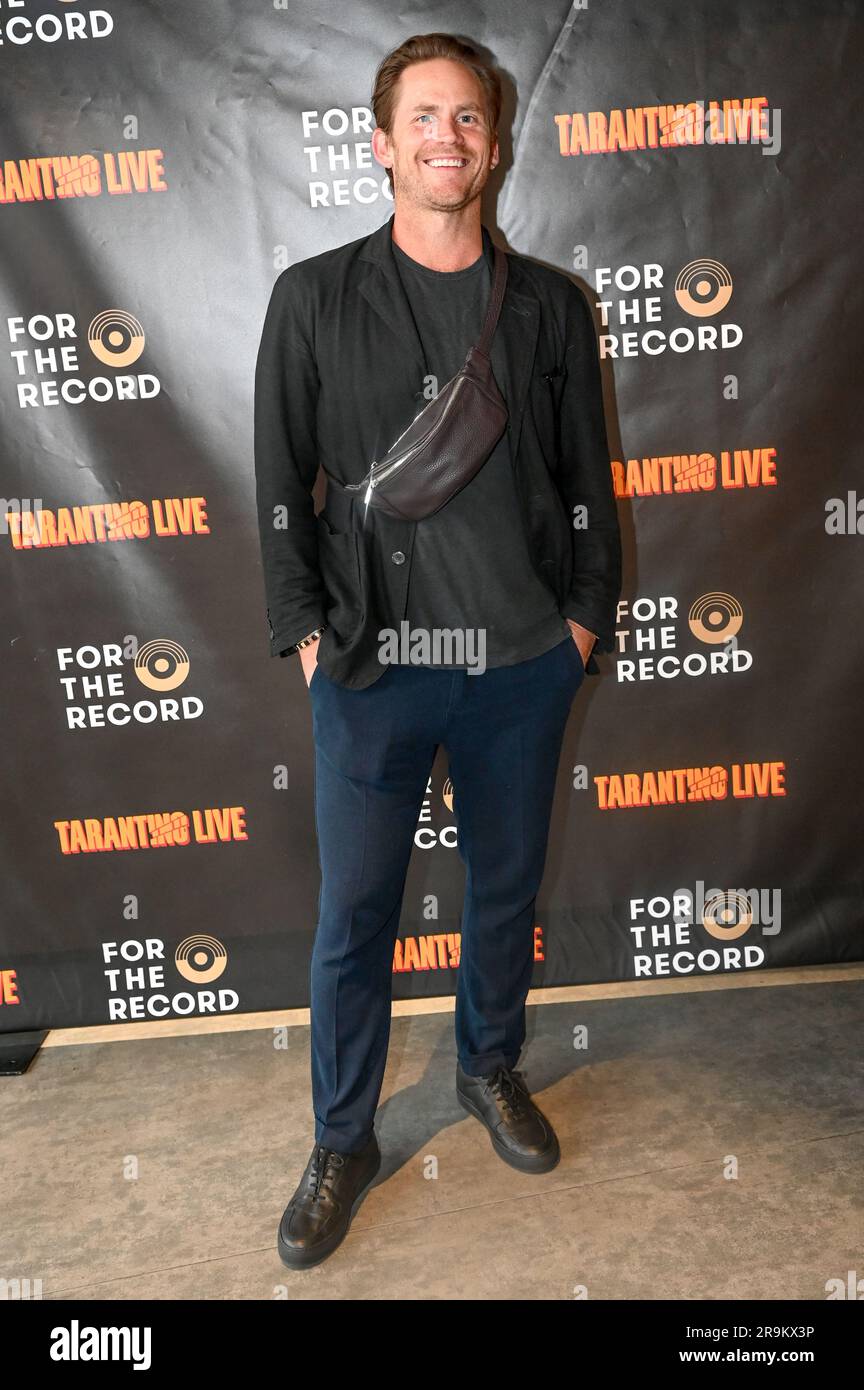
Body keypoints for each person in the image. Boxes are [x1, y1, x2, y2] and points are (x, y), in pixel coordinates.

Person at [254, 32, 621, 1269]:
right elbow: (275, 486)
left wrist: (578, 628)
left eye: (467, 118)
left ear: (495, 144)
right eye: (423, 117)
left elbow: (588, 492)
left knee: (502, 894)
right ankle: (341, 1138)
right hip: (370, 671)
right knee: (354, 916)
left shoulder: (550, 309)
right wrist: (303, 632)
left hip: (521, 665)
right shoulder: (311, 298)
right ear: (381, 141)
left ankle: (487, 1068)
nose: (446, 137)